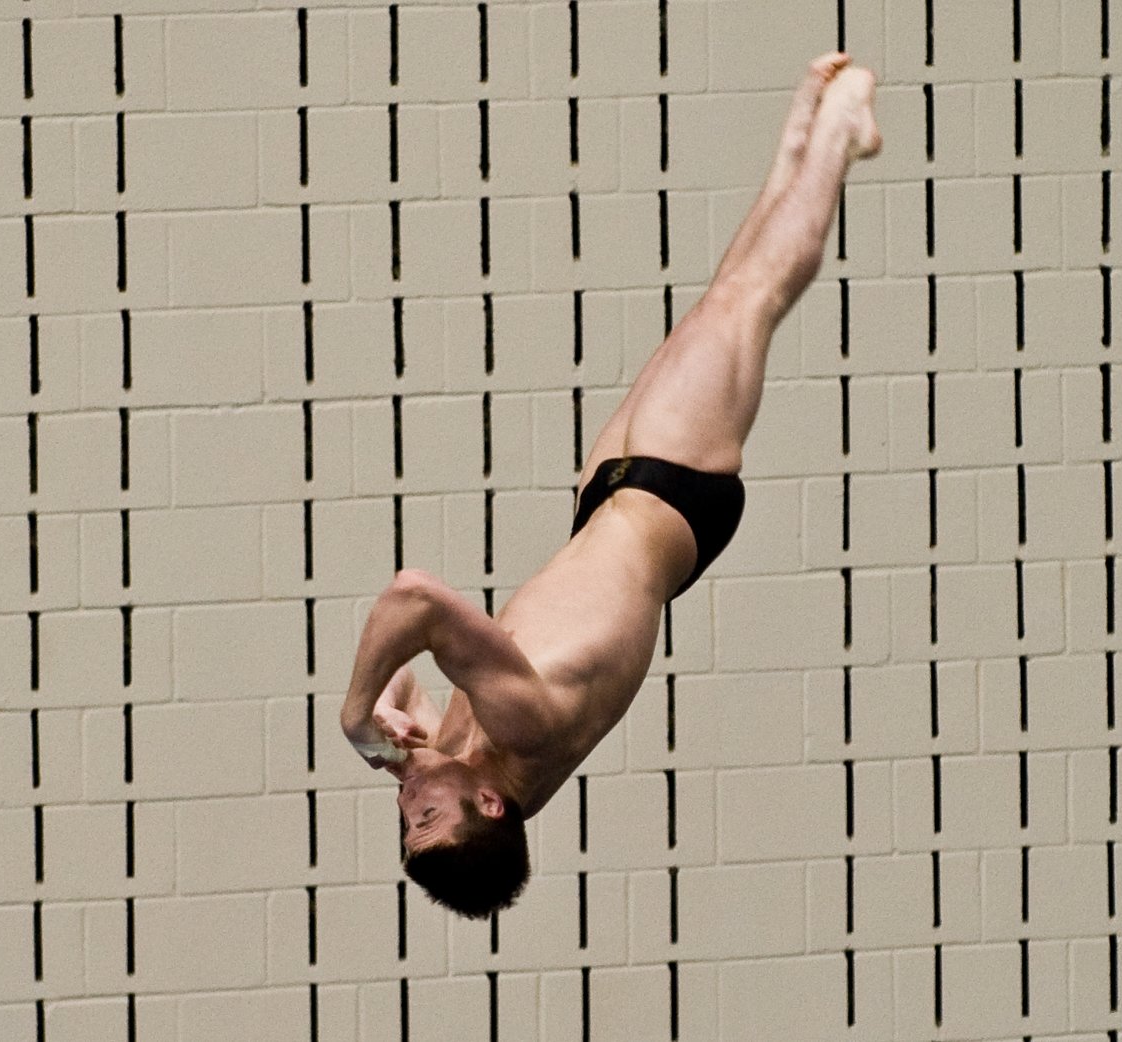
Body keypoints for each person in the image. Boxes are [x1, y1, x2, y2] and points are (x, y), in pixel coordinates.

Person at [340, 54, 883, 918]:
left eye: (405, 824)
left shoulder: (476, 759)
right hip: (674, 491)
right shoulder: (523, 730)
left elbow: (411, 687)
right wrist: (357, 716)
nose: (408, 806)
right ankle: (840, 142)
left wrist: (396, 729)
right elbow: (416, 601)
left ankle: (794, 152)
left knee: (720, 304)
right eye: (426, 815)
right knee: (751, 299)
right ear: (489, 805)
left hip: (616, 498)